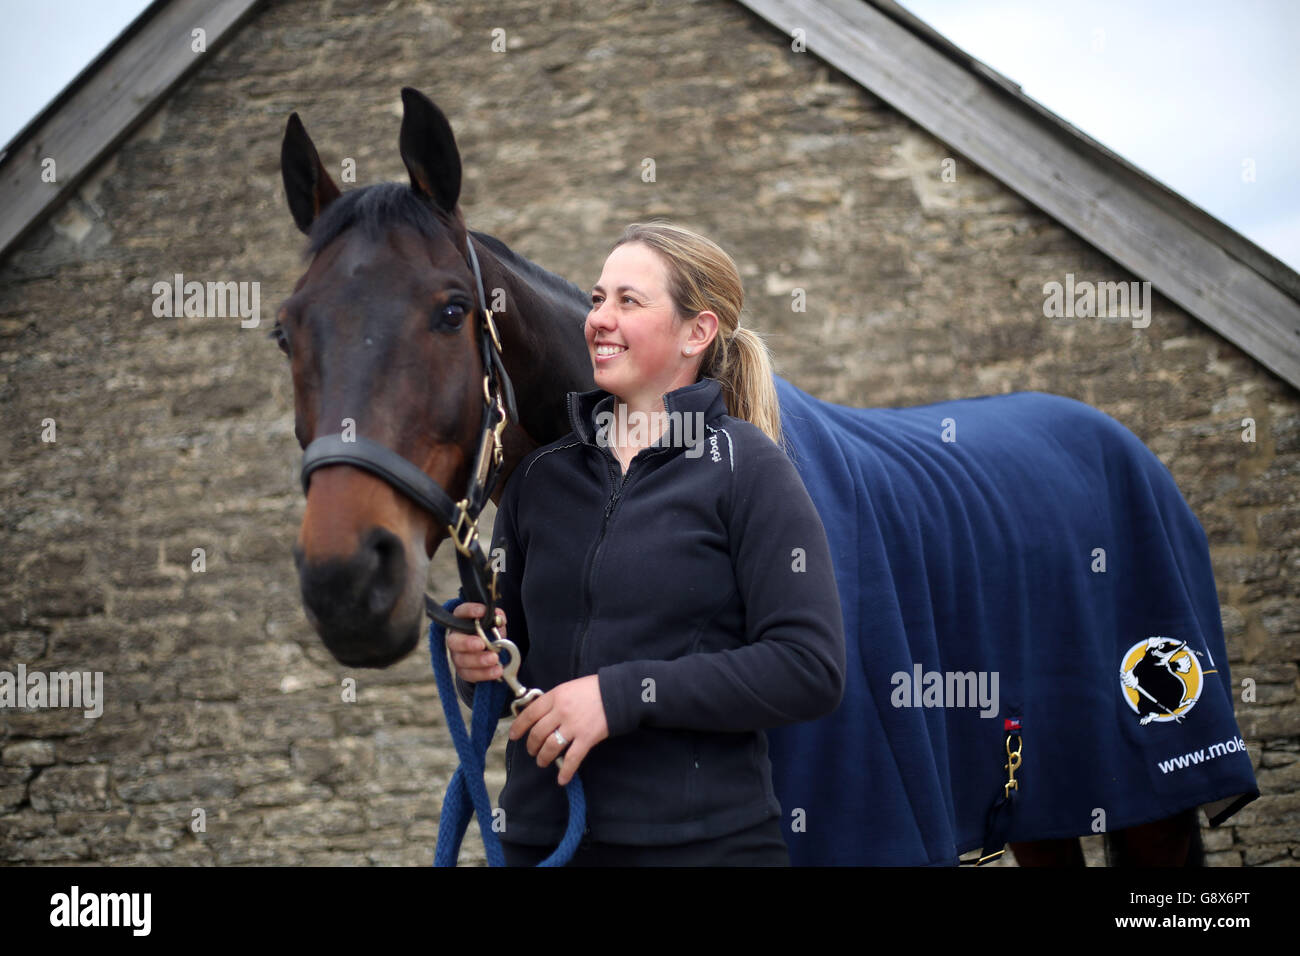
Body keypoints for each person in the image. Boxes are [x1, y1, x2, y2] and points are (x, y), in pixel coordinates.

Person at [449, 221, 846, 866]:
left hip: (705, 848)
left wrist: (620, 696)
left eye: (628, 301)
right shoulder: (537, 479)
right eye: (598, 297)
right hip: (543, 843)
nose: (598, 318)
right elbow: (507, 667)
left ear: (698, 332)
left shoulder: (748, 467)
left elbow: (809, 667)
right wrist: (480, 659)